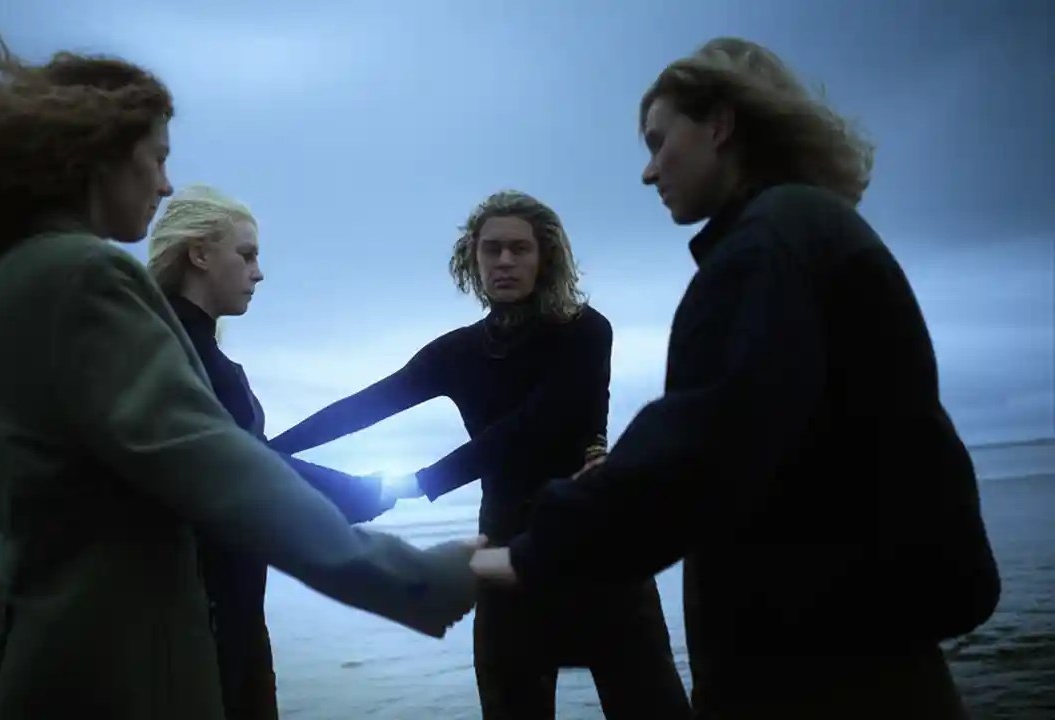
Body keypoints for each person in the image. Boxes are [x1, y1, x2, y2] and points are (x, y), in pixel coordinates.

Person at [0, 31, 477, 720]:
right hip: (110, 672)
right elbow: (216, 467)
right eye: (157, 157)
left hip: (20, 654)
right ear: (99, 155)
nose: (166, 182)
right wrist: (418, 577)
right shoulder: (84, 276)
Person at [470, 38, 1001, 719]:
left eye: (660, 142)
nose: (648, 170)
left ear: (719, 124)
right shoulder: (811, 231)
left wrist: (529, 555)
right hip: (869, 642)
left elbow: (704, 444)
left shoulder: (766, 249)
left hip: (814, 671)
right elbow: (769, 443)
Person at [269, 191, 692, 719]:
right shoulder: (458, 351)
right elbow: (364, 406)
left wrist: (414, 483)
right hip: (505, 553)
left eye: (520, 249)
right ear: (474, 258)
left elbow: (529, 428)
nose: (505, 262)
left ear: (546, 258)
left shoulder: (584, 332)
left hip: (596, 547)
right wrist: (261, 450)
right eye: (492, 250)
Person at [145, 184, 399, 719]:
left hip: (217, 604)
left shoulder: (178, 348)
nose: (258, 272)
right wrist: (364, 492)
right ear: (199, 254)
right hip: (203, 612)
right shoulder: (184, 358)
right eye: (247, 254)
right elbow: (241, 468)